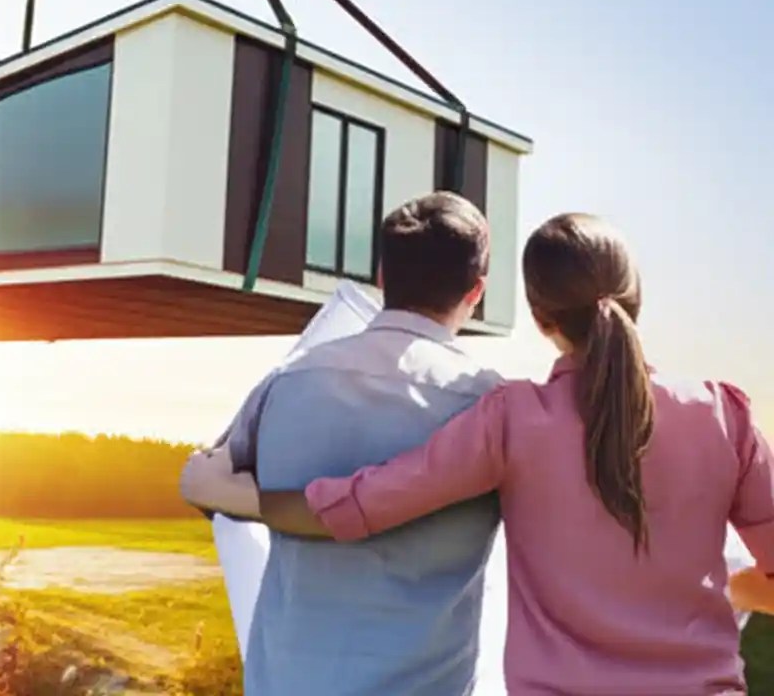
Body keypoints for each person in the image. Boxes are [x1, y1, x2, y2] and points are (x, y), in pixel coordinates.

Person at [260, 212, 774, 694]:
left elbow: (364, 504)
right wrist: (714, 592)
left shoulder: (512, 420)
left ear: (539, 316)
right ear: (636, 297)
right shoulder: (723, 415)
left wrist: (249, 496)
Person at [181, 191, 503, 695]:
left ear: (381, 275)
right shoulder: (492, 406)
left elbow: (208, 483)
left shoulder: (288, 381)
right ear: (476, 290)